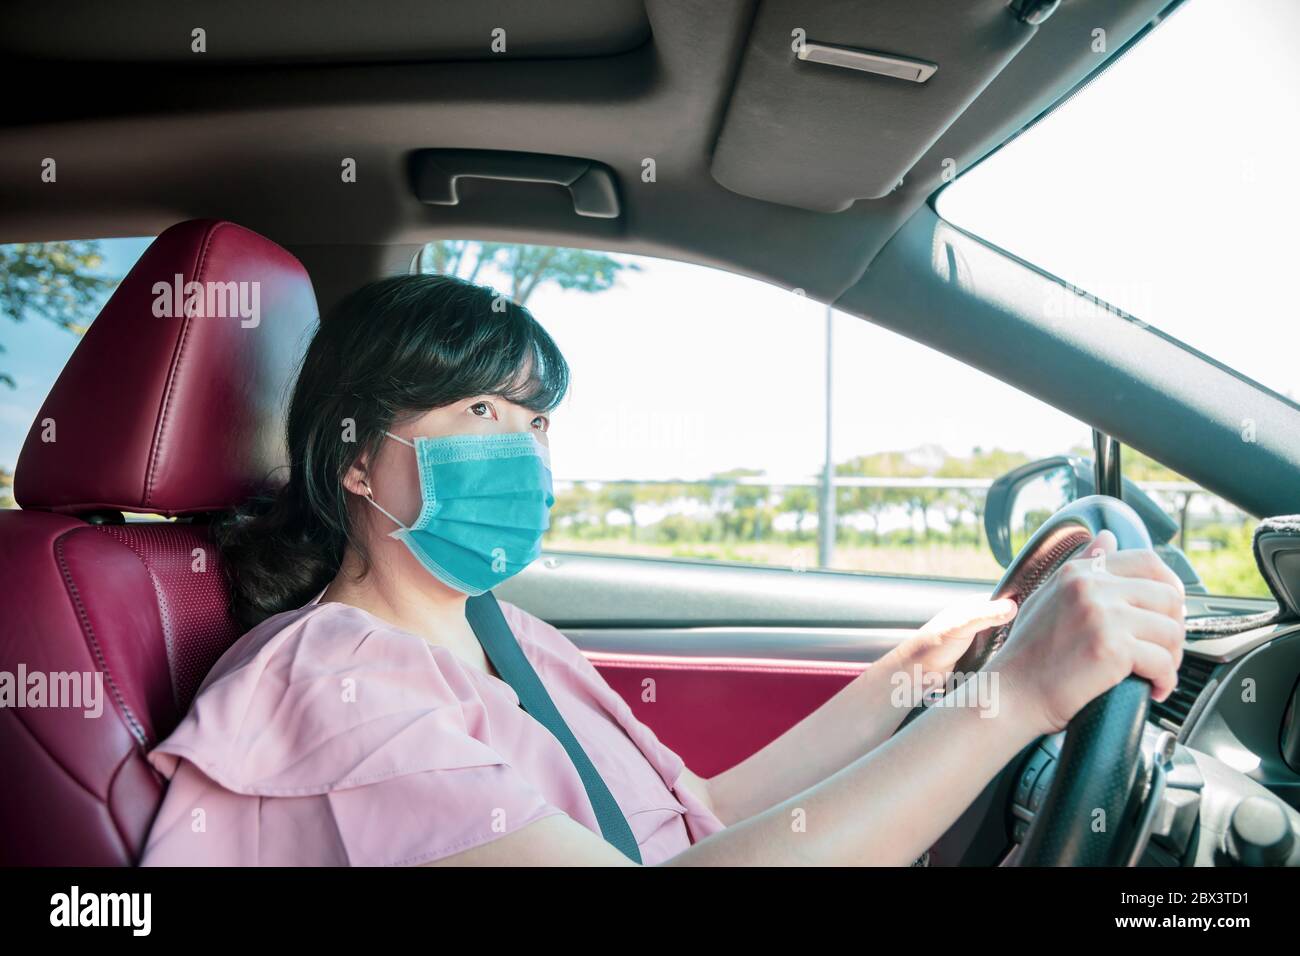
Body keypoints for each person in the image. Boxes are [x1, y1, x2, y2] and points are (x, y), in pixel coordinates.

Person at [138, 274, 1184, 866]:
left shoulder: (506, 632)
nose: (526, 448)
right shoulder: (330, 681)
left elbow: (697, 816)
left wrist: (923, 665)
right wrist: (1013, 701)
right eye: (482, 412)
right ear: (358, 456)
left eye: (537, 418)